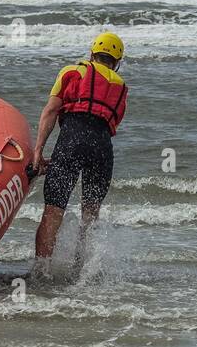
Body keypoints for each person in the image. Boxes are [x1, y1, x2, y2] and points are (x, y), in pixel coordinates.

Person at [32, 32, 128, 274]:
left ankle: (41, 272)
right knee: (90, 215)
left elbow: (51, 111)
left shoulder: (72, 71)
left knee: (53, 210)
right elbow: (112, 122)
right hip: (103, 149)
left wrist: (38, 152)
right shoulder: (121, 86)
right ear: (116, 62)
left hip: (73, 140)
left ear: (92, 54)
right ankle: (82, 270)